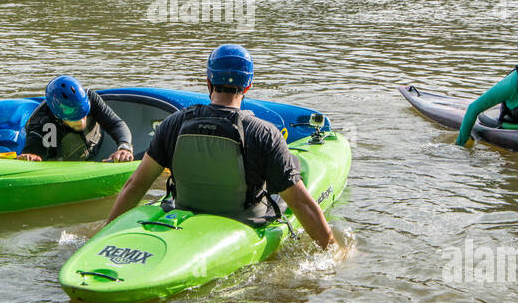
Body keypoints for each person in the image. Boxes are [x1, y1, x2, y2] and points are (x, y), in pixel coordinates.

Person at [102, 44, 338, 252]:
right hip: (243, 221)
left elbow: (135, 185)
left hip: (185, 212)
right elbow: (301, 203)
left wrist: (104, 235)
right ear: (248, 86)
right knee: (291, 168)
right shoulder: (264, 133)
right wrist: (333, 250)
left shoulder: (174, 123)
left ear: (208, 81)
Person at [17, 76, 134, 162]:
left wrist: (125, 147)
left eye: (83, 114)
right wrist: (32, 156)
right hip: (62, 161)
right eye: (74, 117)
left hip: (95, 147)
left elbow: (116, 124)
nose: (82, 121)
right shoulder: (41, 121)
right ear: (58, 115)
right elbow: (34, 150)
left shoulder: (91, 98)